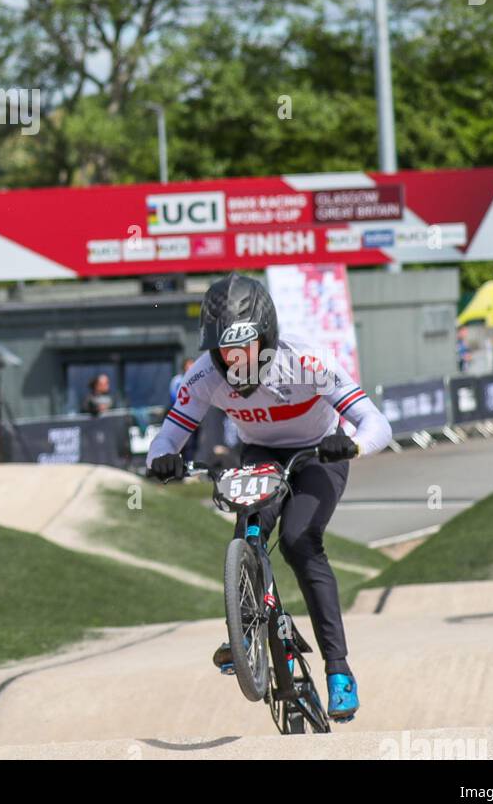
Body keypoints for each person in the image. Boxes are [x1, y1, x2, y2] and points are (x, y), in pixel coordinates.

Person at [147, 272, 393, 722]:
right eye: (226, 352)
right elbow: (166, 438)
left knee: (301, 542)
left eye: (246, 349)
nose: (236, 362)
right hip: (260, 452)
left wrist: (352, 444)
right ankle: (243, 632)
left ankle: (339, 671)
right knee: (249, 529)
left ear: (268, 338)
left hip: (319, 451)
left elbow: (377, 423)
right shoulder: (203, 375)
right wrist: (164, 459)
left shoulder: (308, 361)